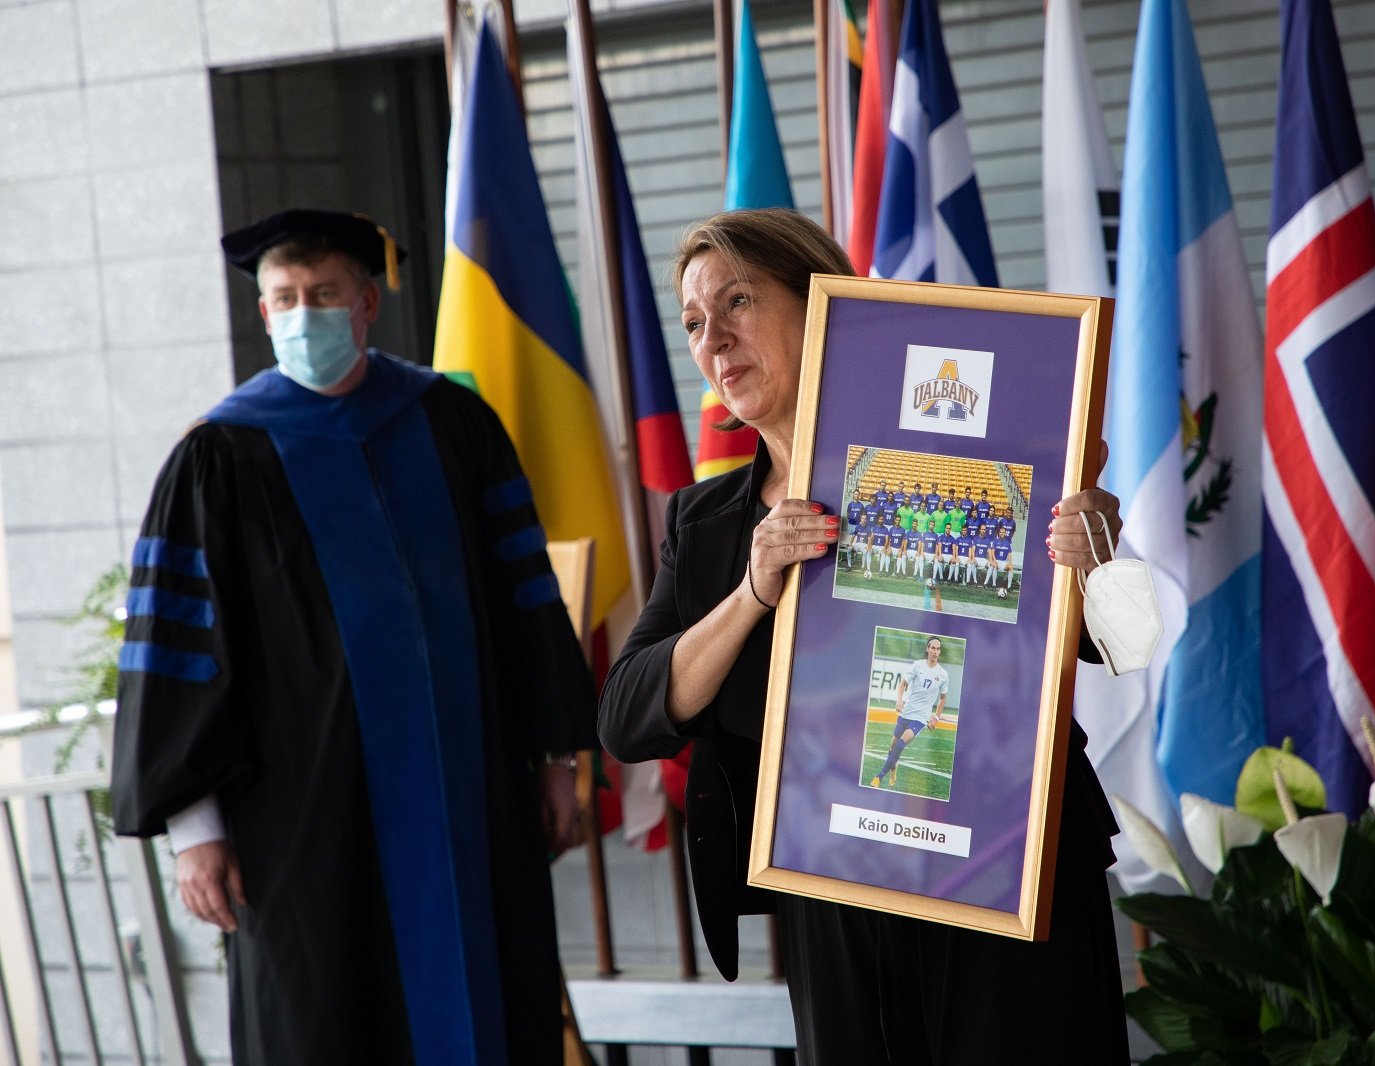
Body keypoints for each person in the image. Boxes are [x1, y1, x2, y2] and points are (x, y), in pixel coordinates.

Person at [598, 208, 1128, 1063]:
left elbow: (1097, 644)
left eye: (738, 301)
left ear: (824, 304)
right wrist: (751, 593)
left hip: (1003, 864)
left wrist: (1089, 563)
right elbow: (627, 718)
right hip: (830, 893)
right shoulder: (705, 523)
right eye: (694, 322)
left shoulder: (964, 462)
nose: (714, 339)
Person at [109, 209, 595, 1065]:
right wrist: (196, 832)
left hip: (471, 796)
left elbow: (524, 599)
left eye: (325, 294)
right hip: (305, 827)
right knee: (328, 1024)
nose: (305, 315)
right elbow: (178, 661)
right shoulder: (218, 459)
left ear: (367, 303)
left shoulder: (453, 424)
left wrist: (558, 759)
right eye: (286, 297)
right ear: (264, 312)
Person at [869, 637, 948, 789]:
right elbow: (902, 684)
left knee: (901, 743)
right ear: (927, 649)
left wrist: (936, 718)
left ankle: (878, 777)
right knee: (892, 749)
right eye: (933, 648)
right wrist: (899, 701)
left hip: (921, 718)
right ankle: (893, 769)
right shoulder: (917, 666)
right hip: (906, 713)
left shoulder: (943, 674)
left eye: (938, 649)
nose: (935, 651)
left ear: (940, 652)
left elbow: (943, 699)